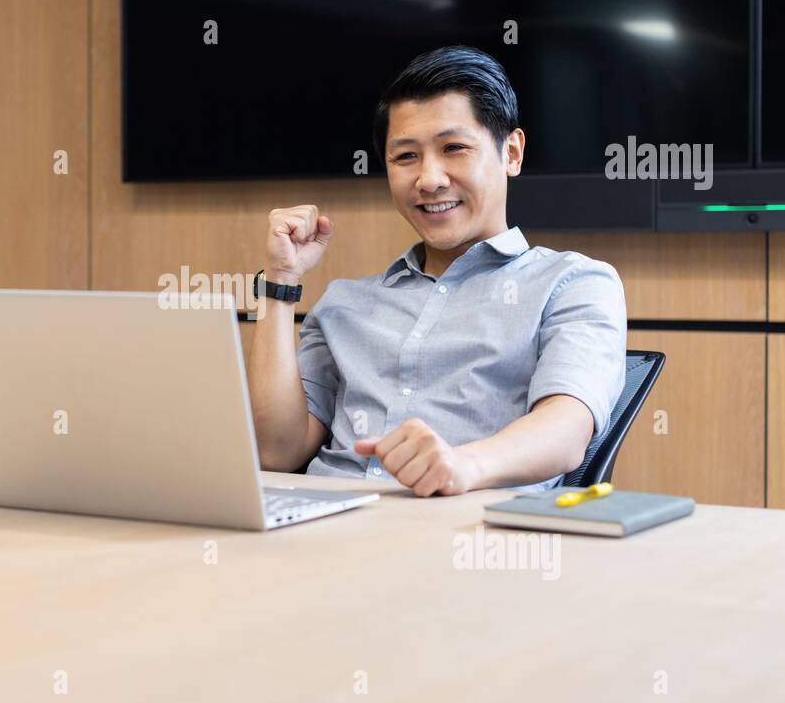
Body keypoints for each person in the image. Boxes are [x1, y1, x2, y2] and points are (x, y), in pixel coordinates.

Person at [246, 46, 626, 496]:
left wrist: (463, 465)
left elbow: (566, 433)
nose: (429, 179)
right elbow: (276, 451)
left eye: (454, 148)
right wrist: (280, 282)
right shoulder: (345, 303)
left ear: (512, 153)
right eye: (406, 157)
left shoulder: (573, 284)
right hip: (321, 525)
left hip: (467, 541)